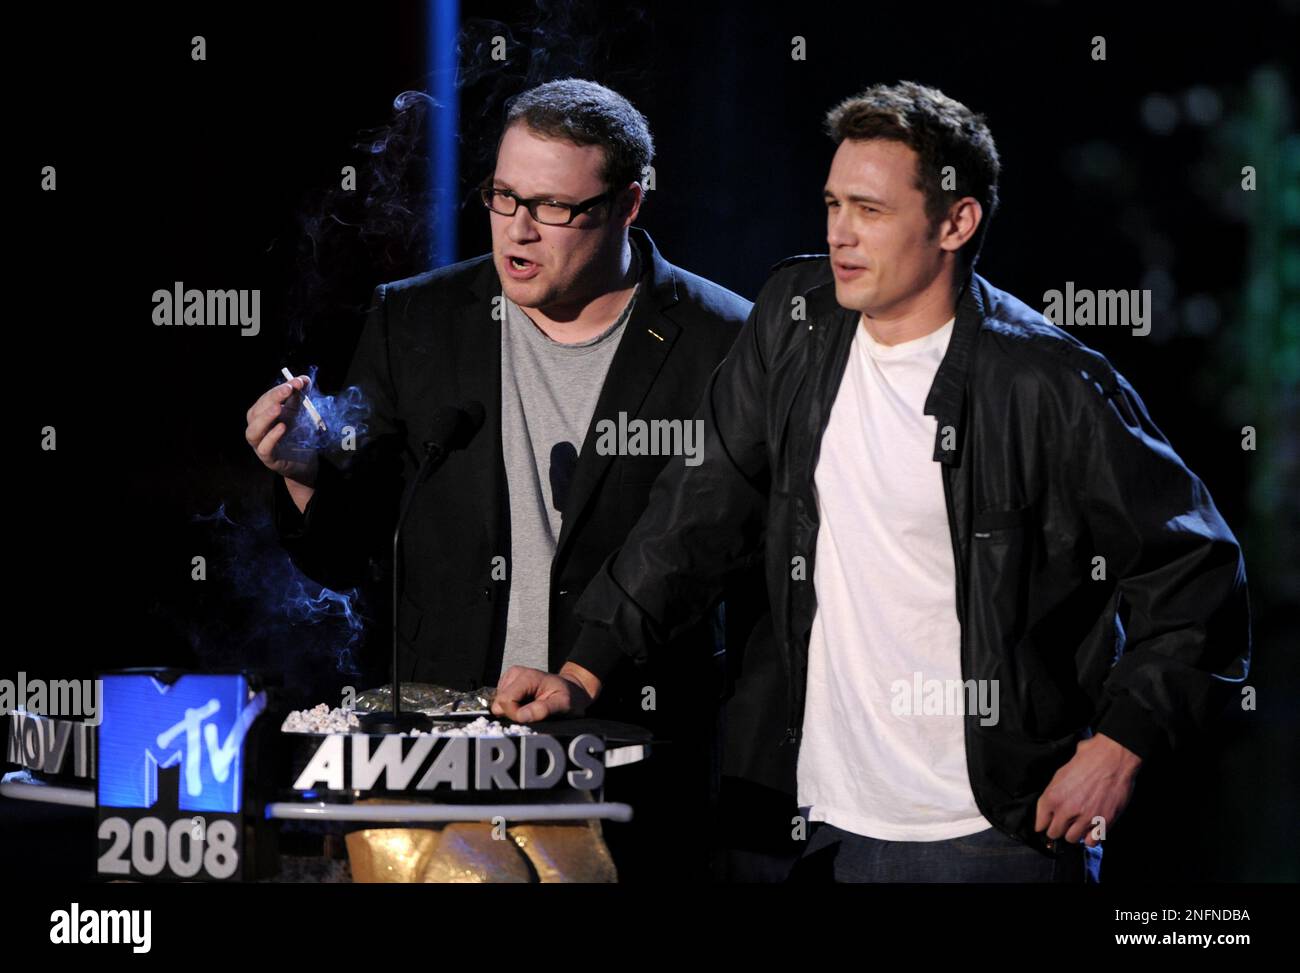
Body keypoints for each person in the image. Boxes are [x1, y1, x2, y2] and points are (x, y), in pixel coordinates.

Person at [491, 81, 1251, 883]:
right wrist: (585, 667)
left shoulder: (1049, 385)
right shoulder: (795, 319)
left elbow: (1197, 574)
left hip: (990, 832)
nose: (840, 234)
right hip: (812, 825)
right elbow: (699, 506)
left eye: (871, 210)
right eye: (832, 205)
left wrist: (1119, 747)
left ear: (957, 222)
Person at [244, 78, 763, 882]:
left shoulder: (724, 338)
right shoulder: (416, 319)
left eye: (554, 206)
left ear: (628, 204)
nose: (519, 229)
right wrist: (303, 473)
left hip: (623, 763)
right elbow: (351, 552)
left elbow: (723, 556)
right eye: (503, 195)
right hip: (434, 774)